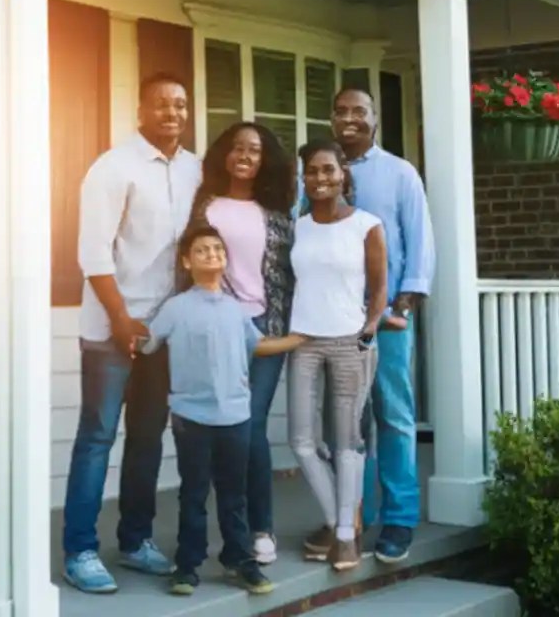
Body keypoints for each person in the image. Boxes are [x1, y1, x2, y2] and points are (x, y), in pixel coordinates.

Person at [61, 73, 201, 594]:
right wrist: (120, 318)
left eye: (180, 104)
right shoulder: (113, 167)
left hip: (162, 331)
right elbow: (93, 252)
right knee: (97, 437)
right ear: (141, 111)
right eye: (161, 104)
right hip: (111, 327)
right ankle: (79, 550)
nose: (172, 112)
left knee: (146, 437)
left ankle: (136, 540)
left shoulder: (195, 169)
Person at [141, 225, 304, 596]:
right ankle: (188, 564)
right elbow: (148, 343)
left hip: (235, 417)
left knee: (234, 494)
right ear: (187, 261)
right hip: (191, 417)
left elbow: (256, 344)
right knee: (193, 493)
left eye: (217, 249)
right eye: (202, 250)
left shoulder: (236, 309)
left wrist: (298, 340)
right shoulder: (176, 308)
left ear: (225, 259)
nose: (211, 254)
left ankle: (239, 559)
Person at [331, 87, 434, 564]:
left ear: (374, 118)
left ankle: (398, 517)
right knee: (346, 420)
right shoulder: (320, 173)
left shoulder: (399, 173)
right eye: (341, 111)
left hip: (387, 316)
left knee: (392, 414)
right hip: (334, 318)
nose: (350, 118)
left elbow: (420, 241)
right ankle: (354, 515)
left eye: (360, 111)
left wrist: (405, 302)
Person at [187, 121, 296, 565]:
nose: (245, 156)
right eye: (237, 148)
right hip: (219, 329)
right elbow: (190, 267)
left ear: (264, 160)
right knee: (222, 429)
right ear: (225, 155)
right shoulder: (206, 208)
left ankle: (261, 528)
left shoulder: (278, 213)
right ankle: (226, 530)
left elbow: (291, 274)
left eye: (254, 149)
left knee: (251, 425)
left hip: (267, 326)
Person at [287, 138, 388, 572]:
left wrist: (371, 327)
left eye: (328, 169)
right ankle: (336, 521)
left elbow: (379, 287)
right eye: (312, 171)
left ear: (343, 173)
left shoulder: (367, 225)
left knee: (348, 441)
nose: (320, 178)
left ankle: (346, 536)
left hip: (350, 340)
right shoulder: (299, 226)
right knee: (301, 441)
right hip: (303, 341)